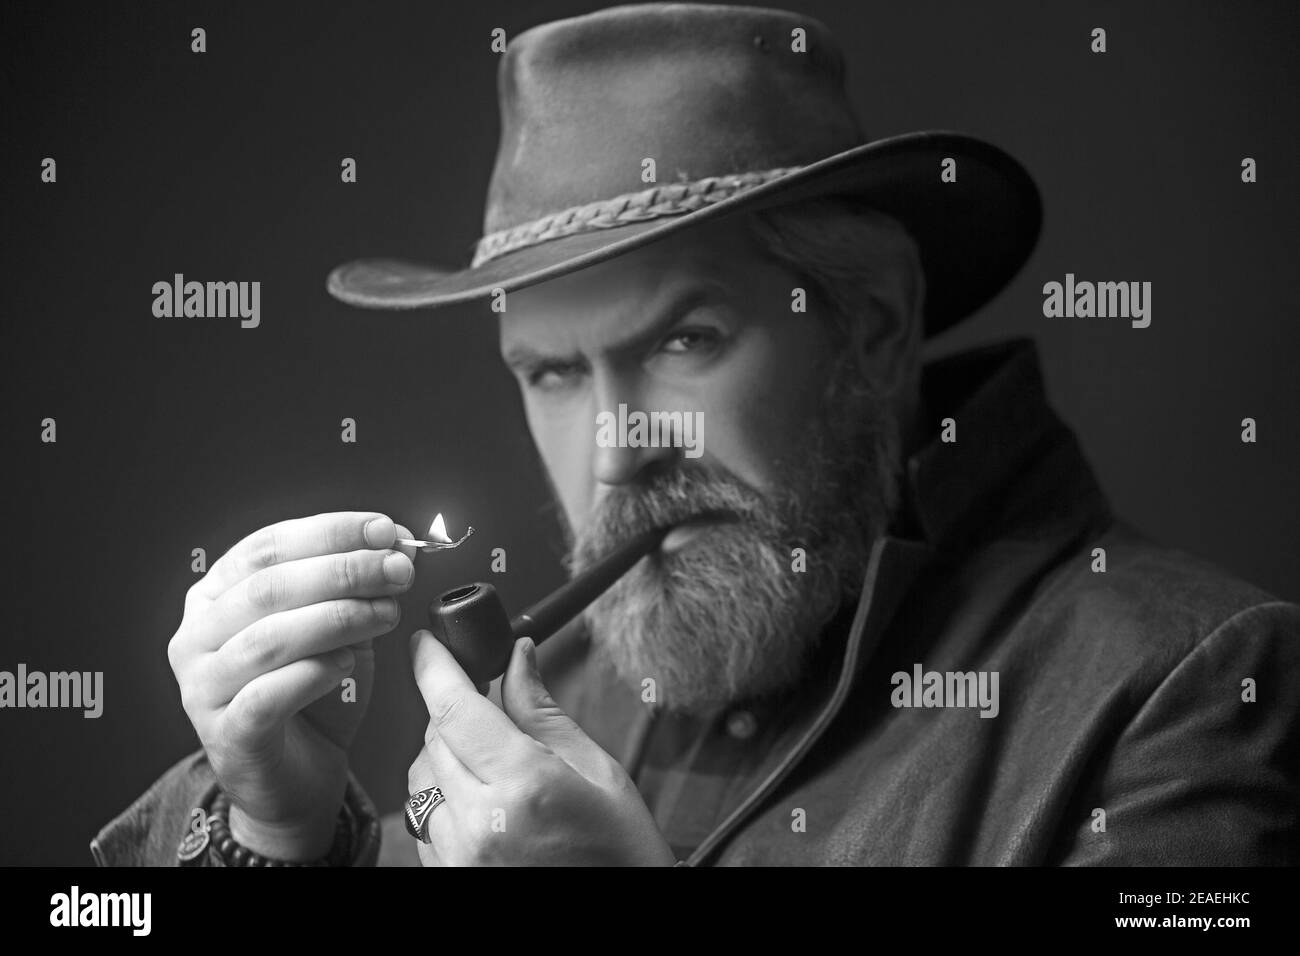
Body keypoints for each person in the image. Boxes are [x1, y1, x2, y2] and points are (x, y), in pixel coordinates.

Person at [93, 3, 1299, 867]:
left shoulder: (1188, 690)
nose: (617, 450)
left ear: (873, 327)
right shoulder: (545, 698)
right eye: (554, 370)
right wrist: (274, 829)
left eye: (684, 341)